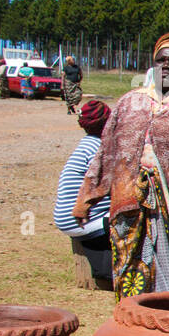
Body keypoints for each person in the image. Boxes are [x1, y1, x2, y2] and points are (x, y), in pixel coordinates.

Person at [72, 32, 169, 299]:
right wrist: (87, 195)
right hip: (129, 206)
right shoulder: (129, 103)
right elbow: (107, 151)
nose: (166, 65)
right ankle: (137, 328)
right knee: (134, 271)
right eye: (160, 60)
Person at [53, 99, 113, 284]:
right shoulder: (98, 148)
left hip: (66, 217)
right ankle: (113, 271)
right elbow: (107, 185)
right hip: (79, 219)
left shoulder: (86, 145)